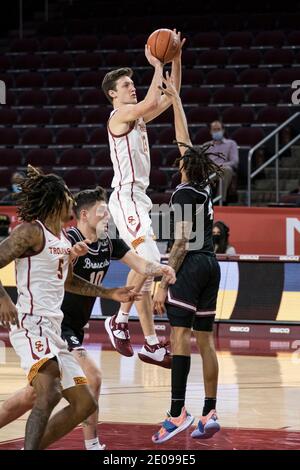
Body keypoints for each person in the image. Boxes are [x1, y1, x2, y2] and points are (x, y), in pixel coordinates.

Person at [0, 186, 176, 449]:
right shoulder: (44, 234)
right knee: (60, 388)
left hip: (58, 326)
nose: (70, 203)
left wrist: (115, 290)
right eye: (66, 199)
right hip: (38, 325)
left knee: (60, 399)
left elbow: (71, 281)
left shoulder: (72, 240)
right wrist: (3, 299)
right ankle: (80, 444)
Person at [101, 30, 185, 368]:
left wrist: (175, 58)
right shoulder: (120, 116)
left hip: (140, 198)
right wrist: (156, 64)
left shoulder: (136, 116)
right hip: (125, 199)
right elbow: (151, 101)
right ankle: (119, 320)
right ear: (112, 95)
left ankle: (149, 343)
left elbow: (168, 97)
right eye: (125, 86)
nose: (130, 87)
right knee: (149, 260)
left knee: (145, 266)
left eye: (131, 84)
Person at [152, 73, 223, 443]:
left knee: (178, 334)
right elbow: (185, 142)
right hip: (213, 265)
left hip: (192, 265)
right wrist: (176, 99)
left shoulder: (182, 194)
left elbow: (181, 241)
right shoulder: (204, 186)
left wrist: (163, 280)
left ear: (183, 167)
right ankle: (210, 410)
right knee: (206, 340)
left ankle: (177, 411)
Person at [206, 121, 238, 204]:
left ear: (223, 130)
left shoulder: (231, 143)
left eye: (218, 129)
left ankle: (221, 200)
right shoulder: (206, 145)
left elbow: (234, 161)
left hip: (223, 168)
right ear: (210, 131)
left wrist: (219, 165)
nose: (216, 131)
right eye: (214, 130)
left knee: (227, 170)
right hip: (210, 169)